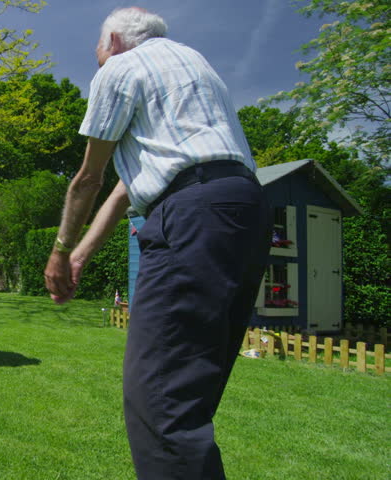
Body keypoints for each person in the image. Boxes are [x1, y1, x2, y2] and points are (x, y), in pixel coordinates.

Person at [43, 8, 271, 479]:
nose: (98, 61)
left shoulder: (121, 69)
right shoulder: (196, 67)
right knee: (189, 394)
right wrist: (84, 253)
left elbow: (88, 179)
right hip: (243, 210)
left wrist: (61, 250)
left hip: (189, 217)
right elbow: (127, 187)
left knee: (161, 402)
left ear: (113, 40)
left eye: (97, 52)